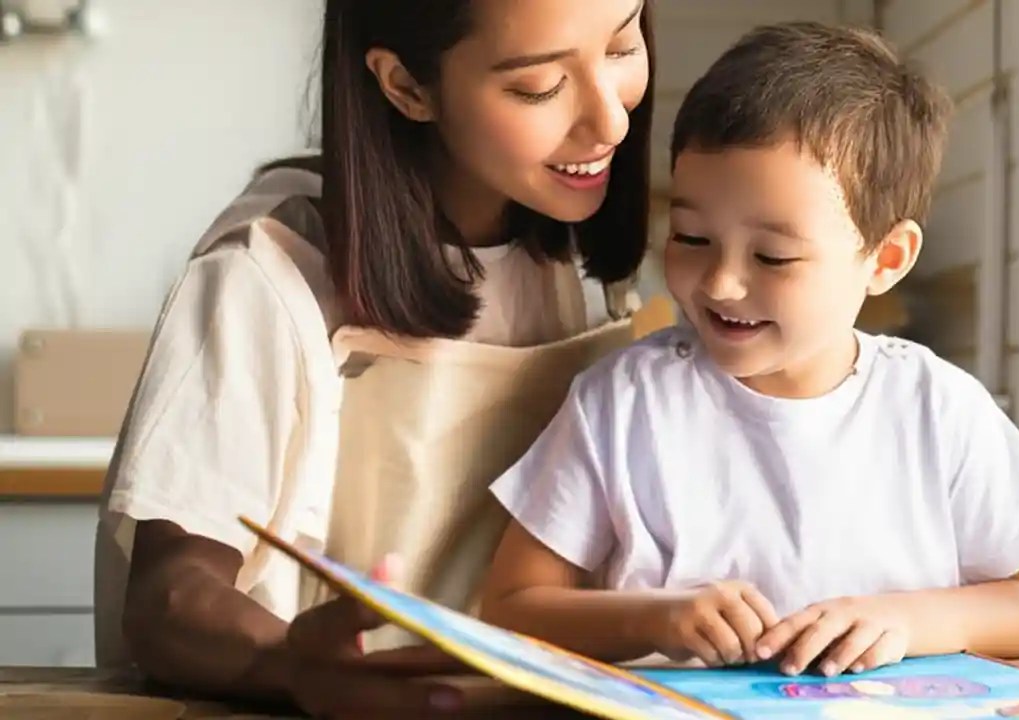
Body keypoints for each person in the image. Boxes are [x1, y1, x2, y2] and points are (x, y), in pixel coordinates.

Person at [93, 0, 657, 716]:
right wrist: (288, 664)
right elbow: (167, 601)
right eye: (540, 86)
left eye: (621, 44)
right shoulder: (264, 277)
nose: (611, 121)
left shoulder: (584, 267)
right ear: (406, 86)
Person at [480, 21, 1019, 679]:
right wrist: (652, 617)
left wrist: (907, 621)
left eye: (773, 255)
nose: (720, 283)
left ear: (885, 258)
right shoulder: (623, 405)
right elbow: (511, 608)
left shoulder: (938, 409)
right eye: (691, 237)